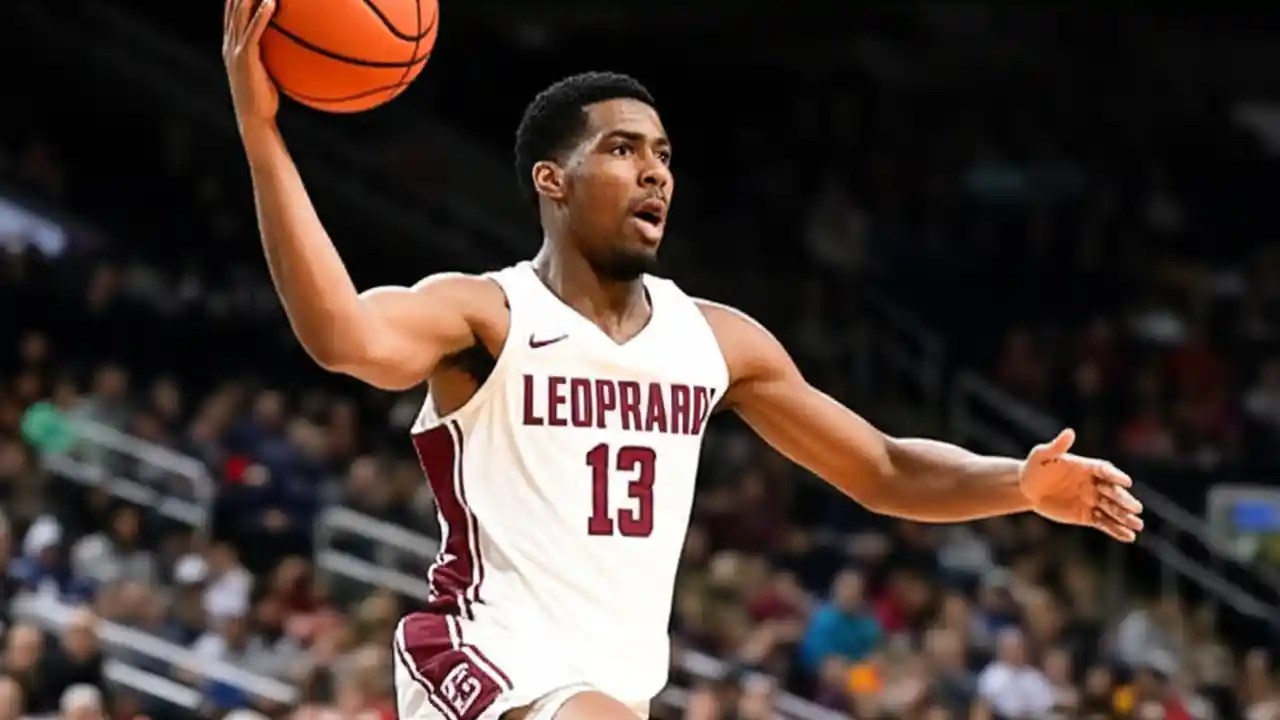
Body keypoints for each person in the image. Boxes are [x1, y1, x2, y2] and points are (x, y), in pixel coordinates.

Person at [221, 1, 1145, 718]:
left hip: (612, 689)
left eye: (663, 153)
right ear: (554, 180)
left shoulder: (715, 340)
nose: (656, 171)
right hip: (479, 657)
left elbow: (882, 466)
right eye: (622, 150)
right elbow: (340, 334)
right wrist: (264, 137)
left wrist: (1018, 487)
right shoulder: (486, 315)